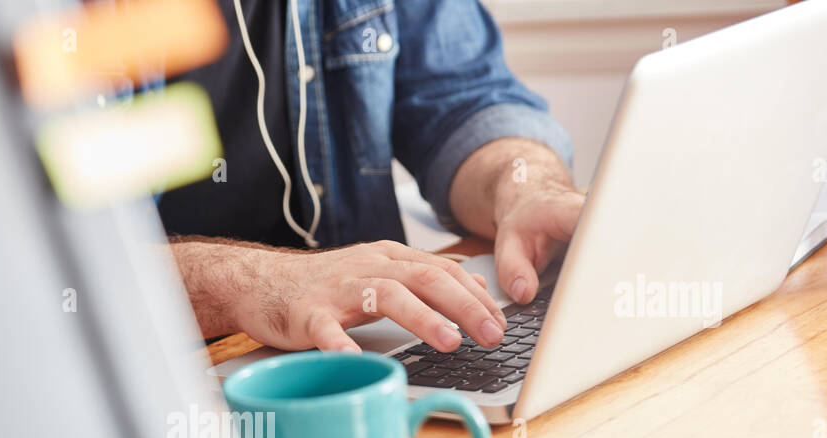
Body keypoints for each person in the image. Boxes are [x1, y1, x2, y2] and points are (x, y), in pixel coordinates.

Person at [157, 0, 583, 354]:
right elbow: (89, 269)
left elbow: (462, 100)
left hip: (372, 340)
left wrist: (524, 189)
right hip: (171, 371)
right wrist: (256, 283)